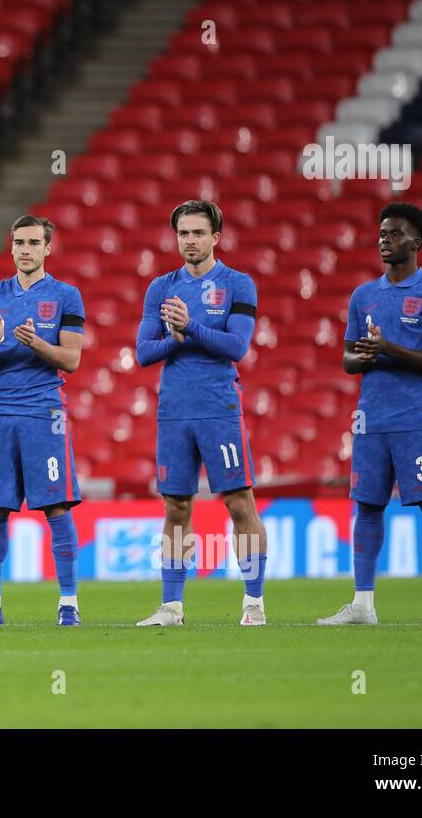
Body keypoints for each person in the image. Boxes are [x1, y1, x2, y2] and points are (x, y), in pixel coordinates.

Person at [319, 202, 422, 627]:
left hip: (415, 416)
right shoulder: (363, 296)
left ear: (416, 241)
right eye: (382, 233)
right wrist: (366, 354)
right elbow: (347, 360)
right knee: (368, 505)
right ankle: (363, 605)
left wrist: (387, 350)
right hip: (371, 418)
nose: (385, 240)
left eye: (395, 233)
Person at [134, 199, 268, 627]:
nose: (189, 241)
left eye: (197, 233)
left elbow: (236, 347)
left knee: (238, 502)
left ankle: (253, 603)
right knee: (175, 506)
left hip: (219, 408)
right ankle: (171, 607)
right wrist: (176, 339)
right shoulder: (160, 288)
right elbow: (142, 352)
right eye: (182, 233)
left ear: (215, 237)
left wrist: (189, 327)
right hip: (175, 411)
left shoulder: (238, 284)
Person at [0, 215, 86, 627]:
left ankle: (68, 605)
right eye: (19, 242)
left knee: (57, 506)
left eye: (33, 242)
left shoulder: (66, 296)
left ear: (48, 248)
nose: (25, 249)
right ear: (10, 248)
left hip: (44, 412)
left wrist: (37, 343)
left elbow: (73, 360)